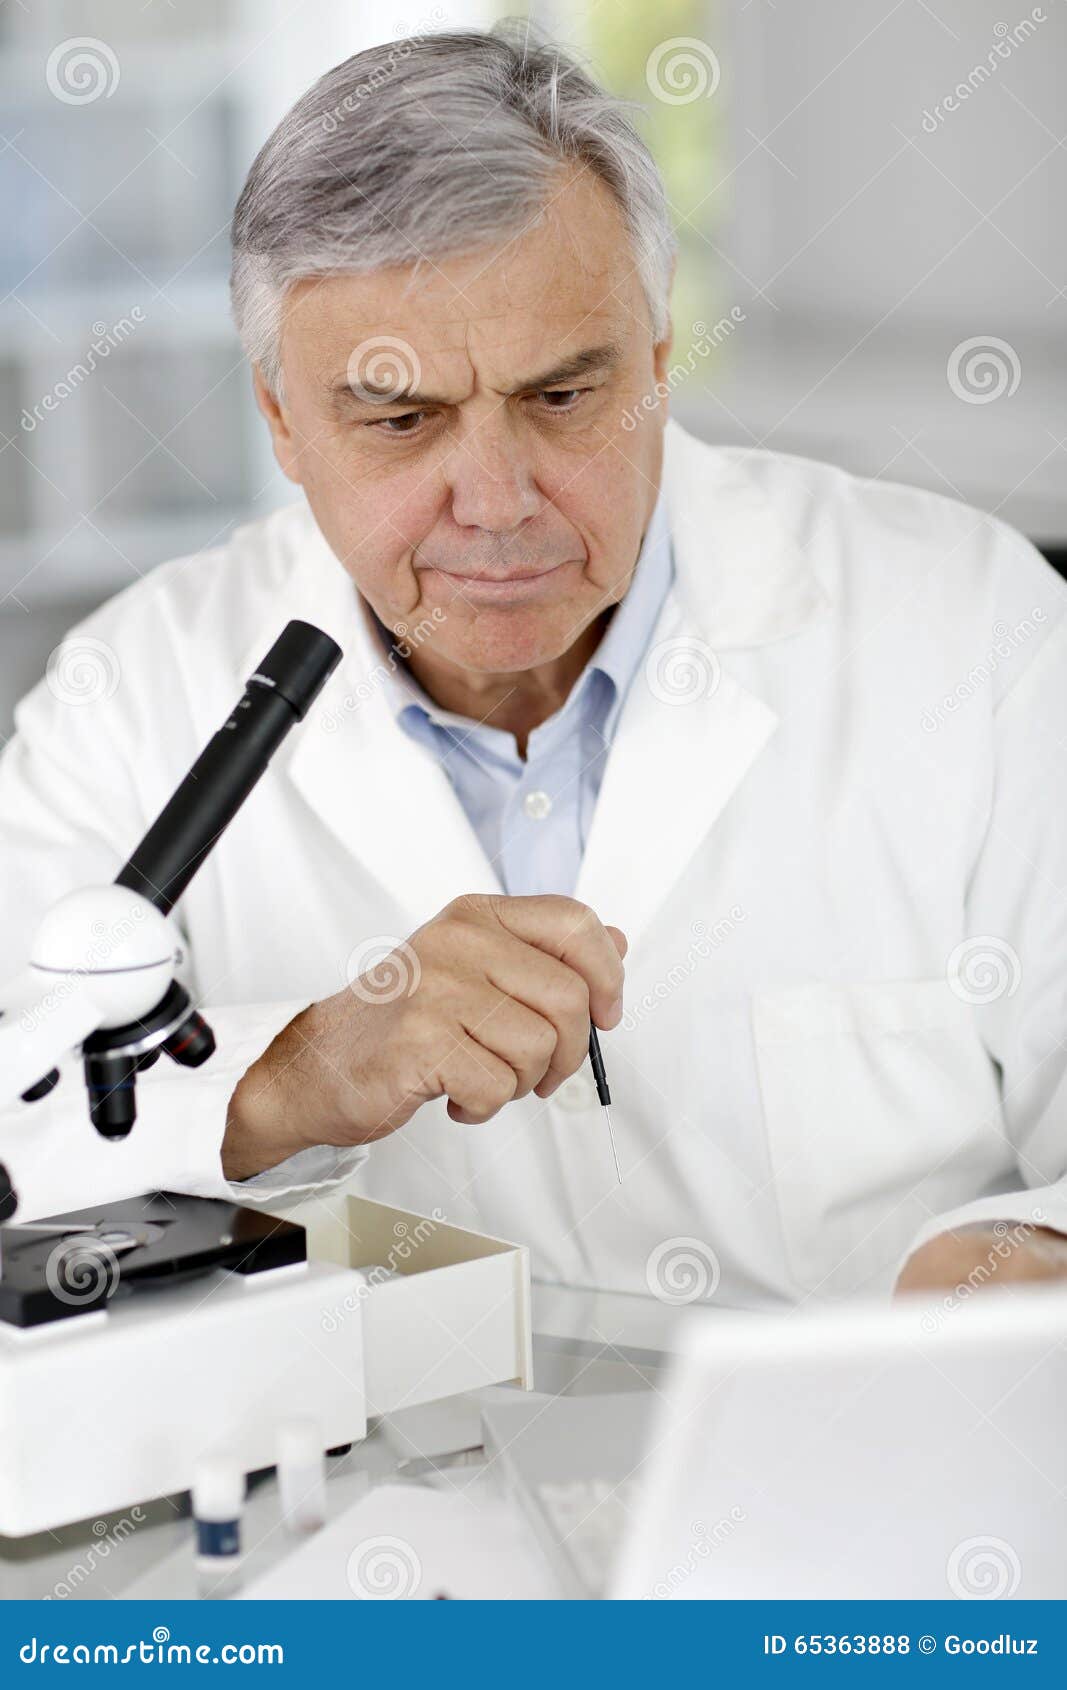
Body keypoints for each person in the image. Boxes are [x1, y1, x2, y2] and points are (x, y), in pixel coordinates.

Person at [2, 24, 1066, 1305]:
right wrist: (287, 1076)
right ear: (281, 417)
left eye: (562, 398)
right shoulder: (129, 695)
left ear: (659, 359)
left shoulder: (972, 630)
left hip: (868, 1482)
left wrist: (1019, 1261)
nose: (496, 503)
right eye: (399, 421)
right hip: (360, 1501)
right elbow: (24, 1128)